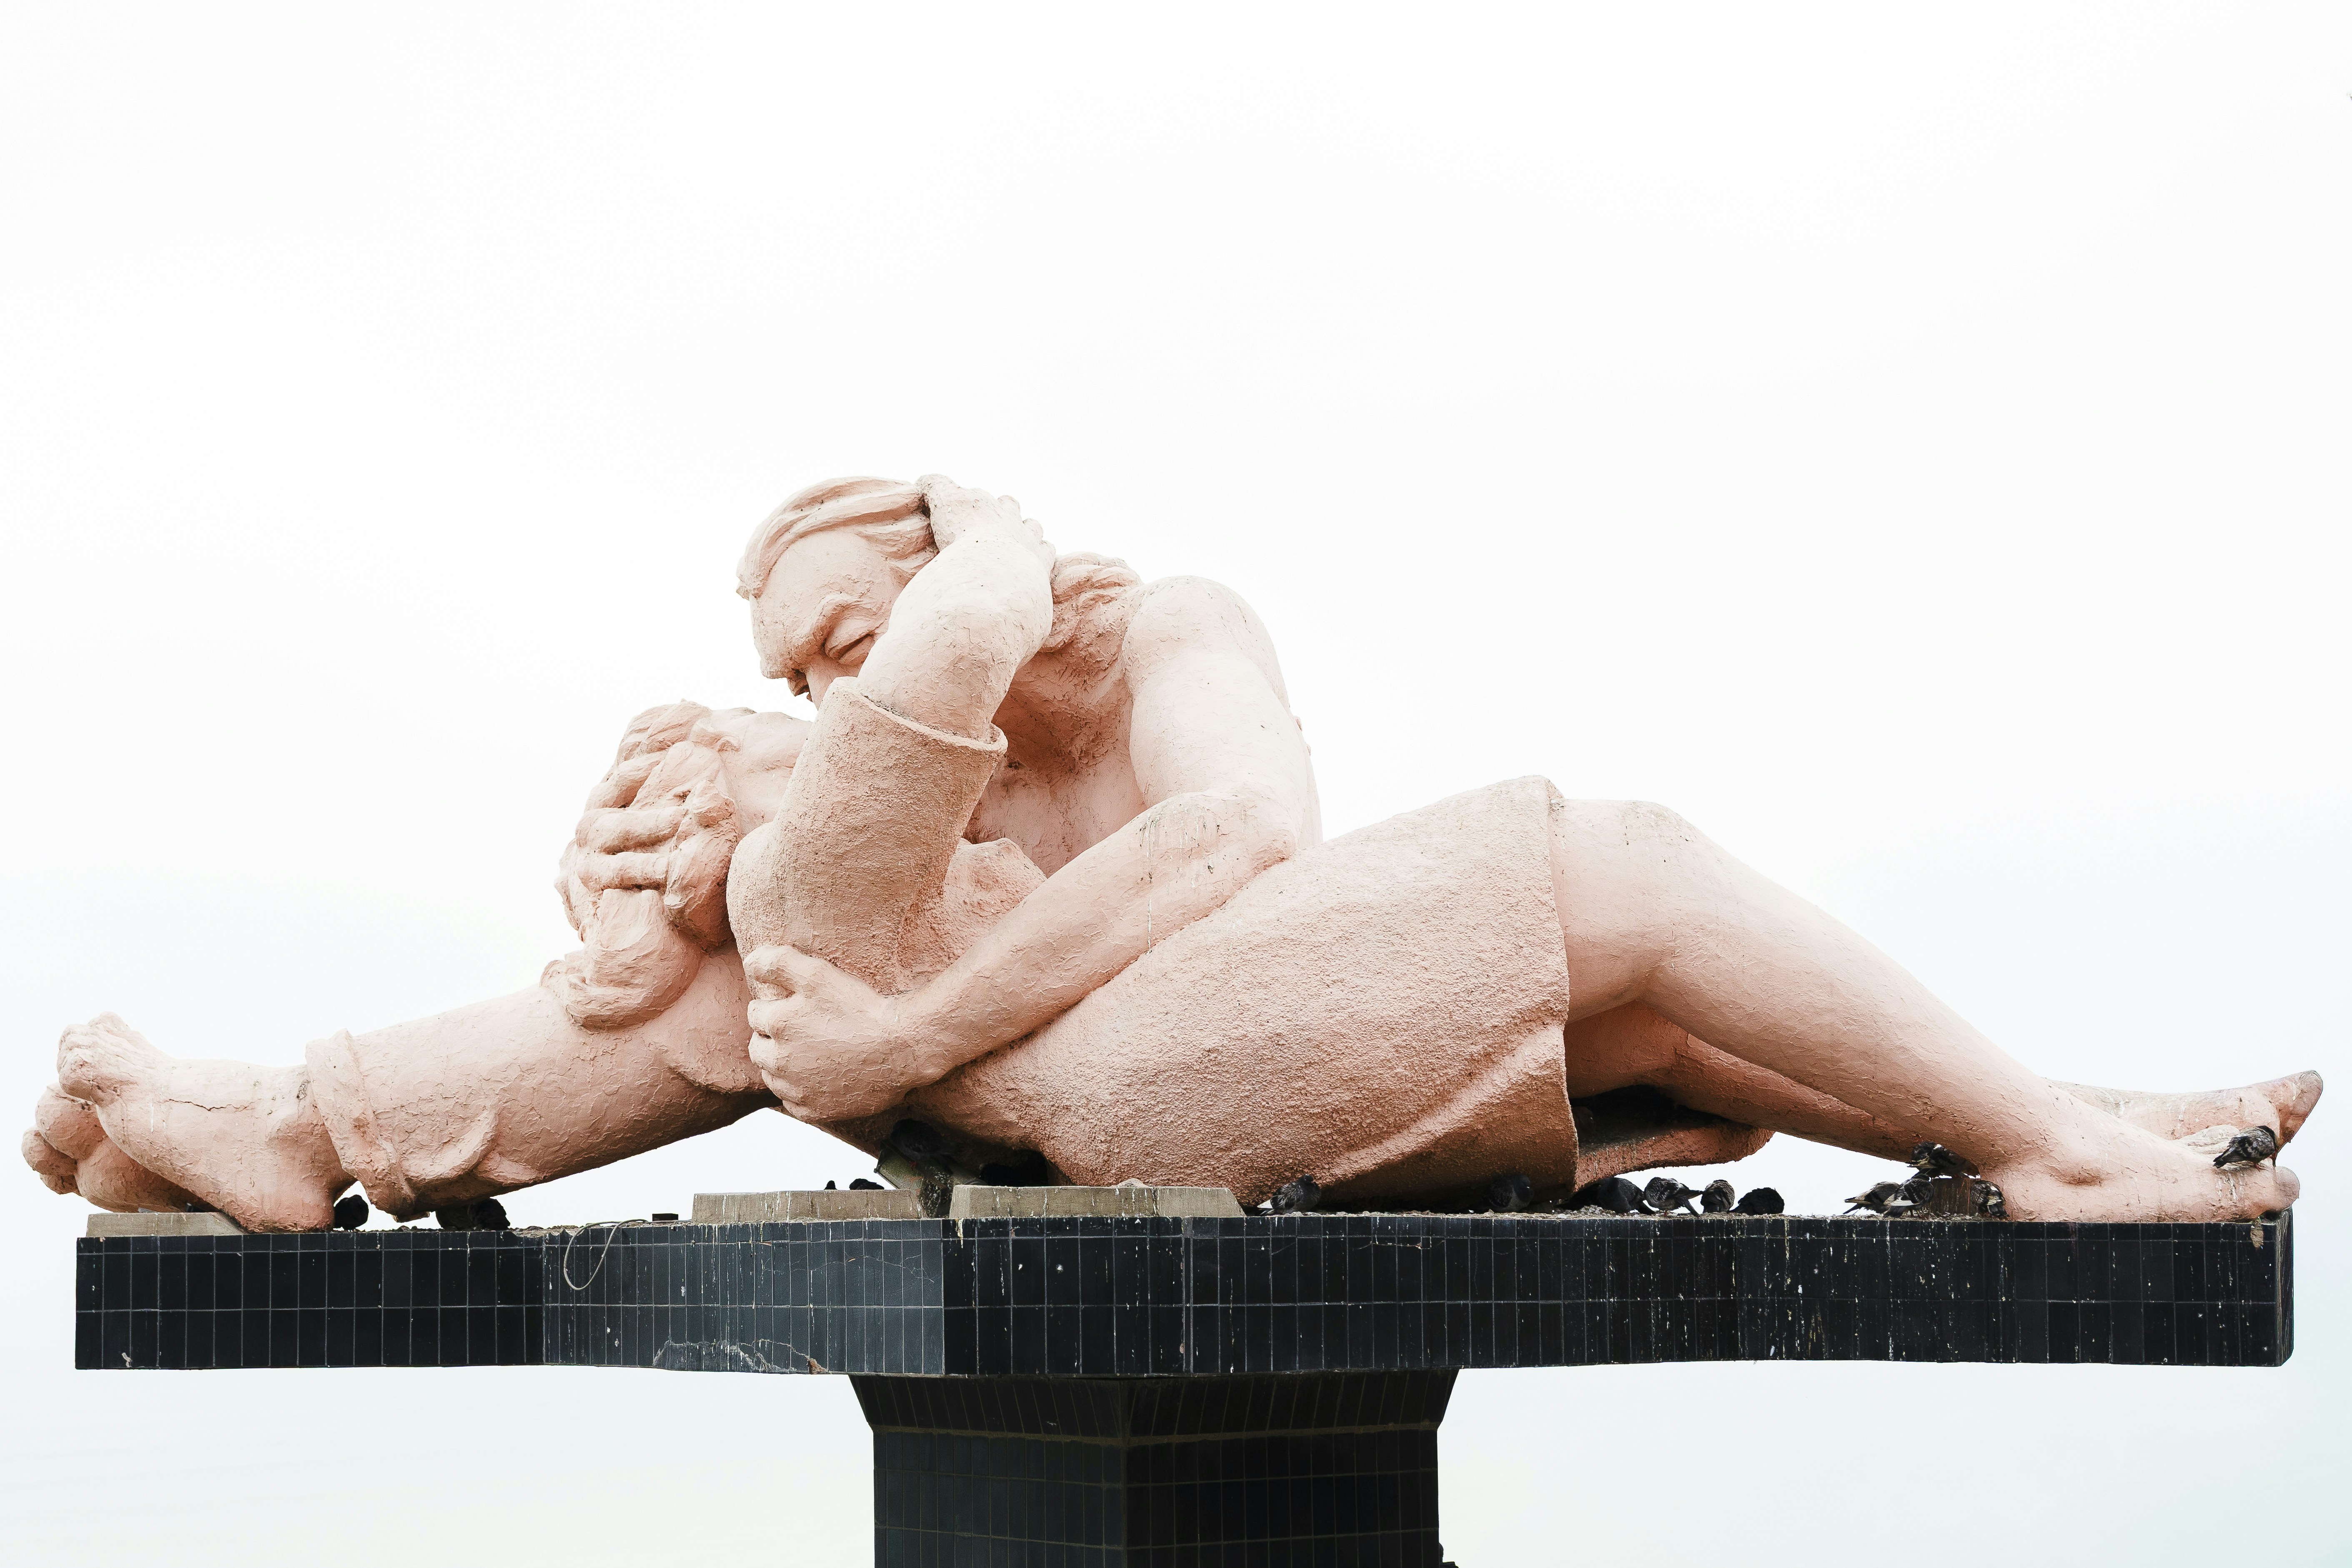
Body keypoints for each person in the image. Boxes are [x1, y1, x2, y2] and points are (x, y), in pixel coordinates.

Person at [24, 476, 2317, 1228]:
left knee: (1631, 959)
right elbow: (693, 996)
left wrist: (919, 1016)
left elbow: (1244, 837)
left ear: (953, 570)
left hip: (1214, 1033)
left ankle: (2066, 1117)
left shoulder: (1149, 648)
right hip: (1152, 1093)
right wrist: (858, 975)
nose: (837, 706)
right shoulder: (885, 810)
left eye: (851, 644)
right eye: (797, 678)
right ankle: (2062, 1140)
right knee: (1623, 872)